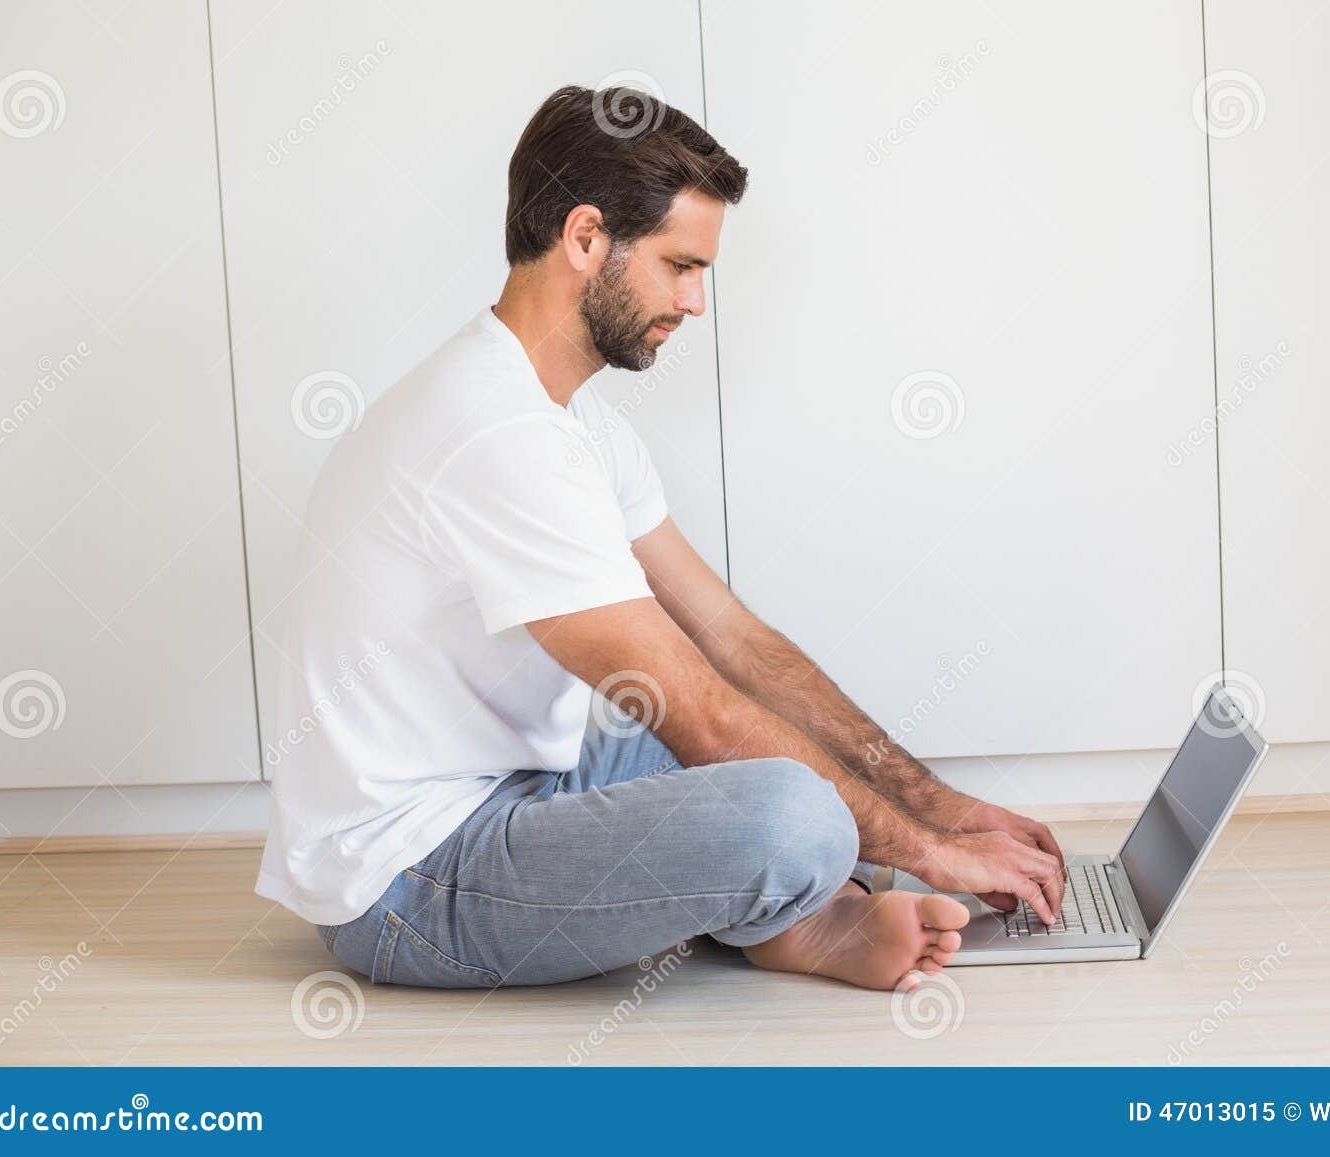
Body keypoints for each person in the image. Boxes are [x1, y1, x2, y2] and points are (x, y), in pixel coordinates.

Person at [256, 84, 1065, 992]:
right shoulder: (493, 431)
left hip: (522, 780)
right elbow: (702, 713)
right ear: (586, 237)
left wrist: (941, 809)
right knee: (788, 812)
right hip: (406, 877)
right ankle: (814, 907)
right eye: (681, 264)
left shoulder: (569, 420)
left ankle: (799, 907)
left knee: (757, 731)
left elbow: (730, 639)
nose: (696, 301)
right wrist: (927, 850)